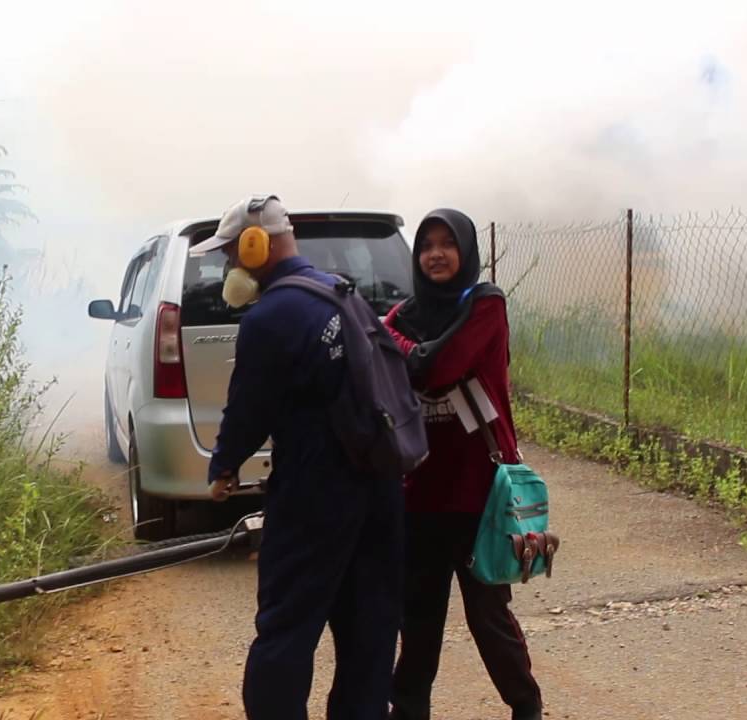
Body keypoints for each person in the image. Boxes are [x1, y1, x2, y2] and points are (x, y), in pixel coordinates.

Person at [191, 195, 404, 720]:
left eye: (230, 255)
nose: (228, 267)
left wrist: (223, 466)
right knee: (368, 634)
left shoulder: (271, 315)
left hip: (315, 495)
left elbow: (248, 410)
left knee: (285, 633)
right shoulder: (342, 292)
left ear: (254, 243)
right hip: (380, 488)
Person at [382, 209, 543, 720]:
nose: (435, 254)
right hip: (420, 495)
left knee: (489, 619)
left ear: (466, 251)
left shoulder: (486, 305)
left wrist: (399, 346)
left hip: (483, 497)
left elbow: (435, 368)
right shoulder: (405, 313)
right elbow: (398, 356)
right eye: (426, 245)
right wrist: (406, 346)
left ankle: (526, 707)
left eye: (447, 244)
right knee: (418, 623)